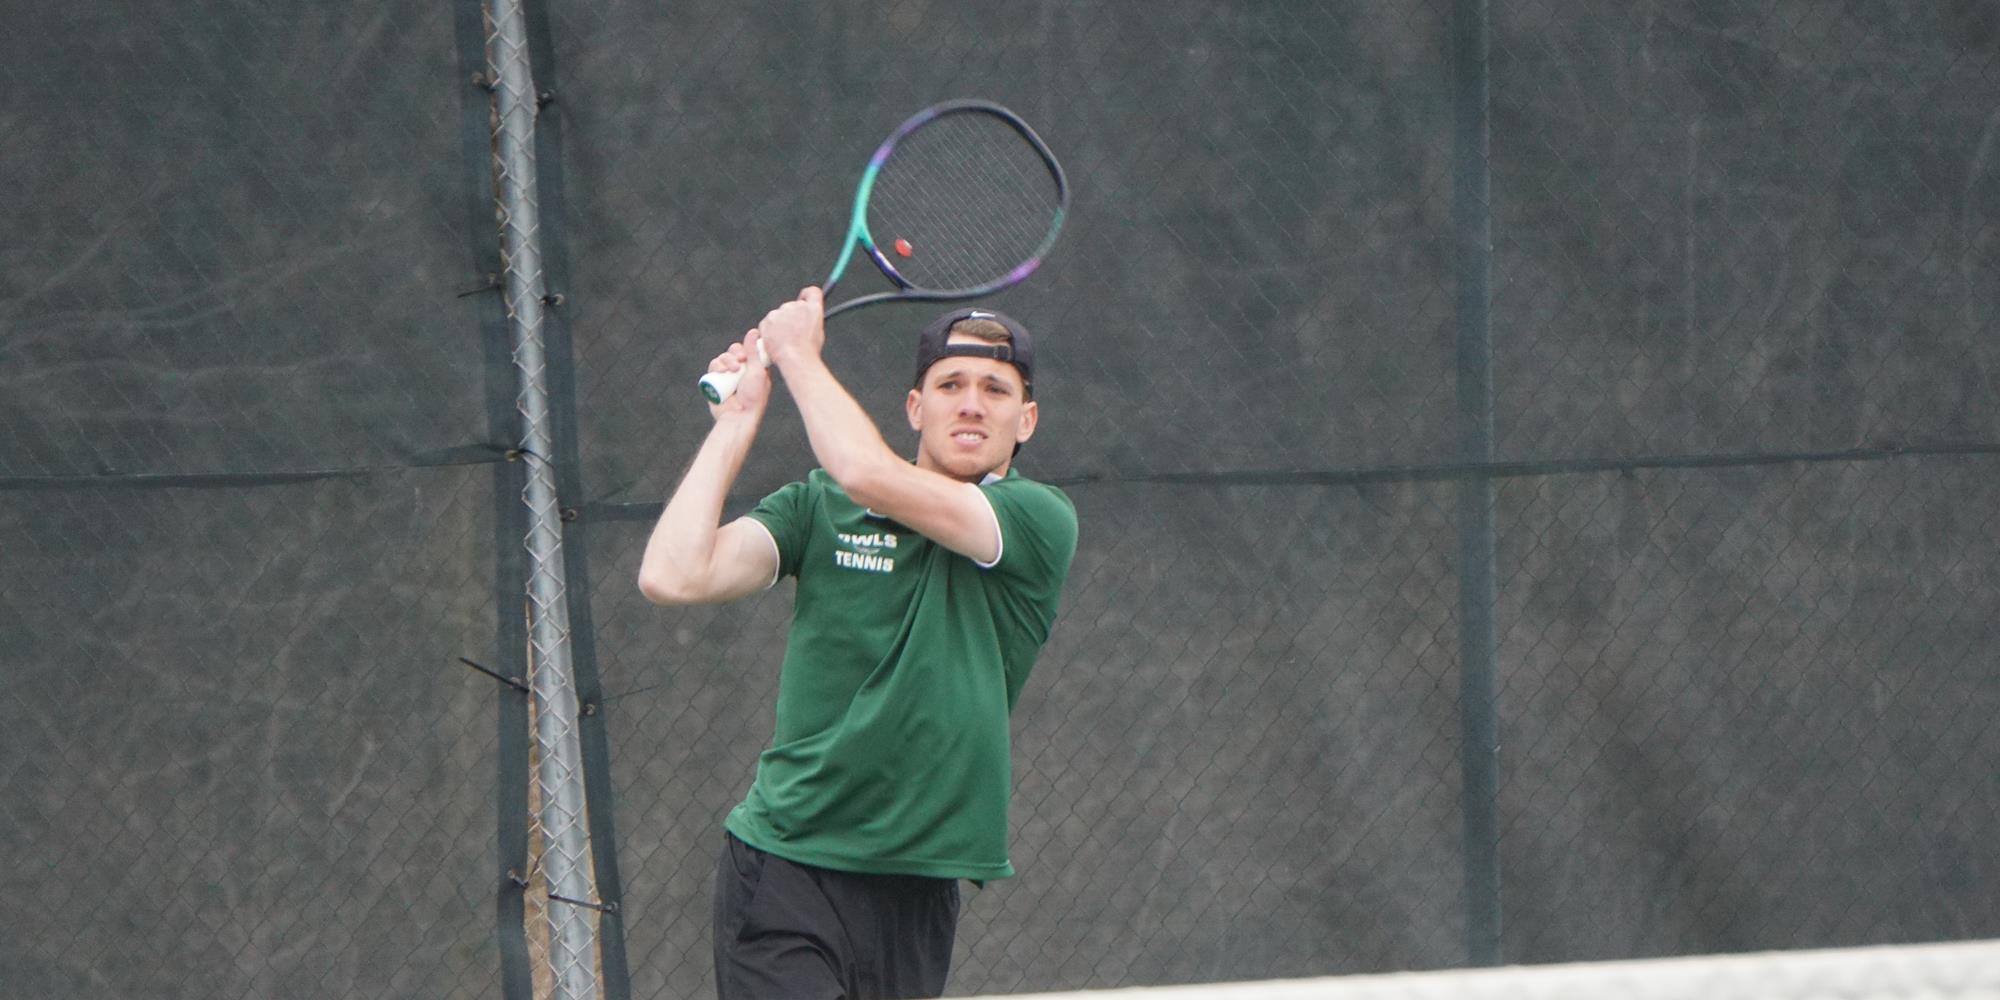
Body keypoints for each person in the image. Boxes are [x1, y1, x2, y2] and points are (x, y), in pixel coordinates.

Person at [637, 287, 1078, 999]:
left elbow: (868, 470)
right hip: (786, 871)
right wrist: (735, 425)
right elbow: (672, 573)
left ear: (1025, 420)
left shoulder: (1036, 520)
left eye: (996, 389)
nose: (971, 403)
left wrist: (796, 355)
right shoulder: (818, 507)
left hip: (919, 889)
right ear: (915, 408)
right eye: (951, 385)